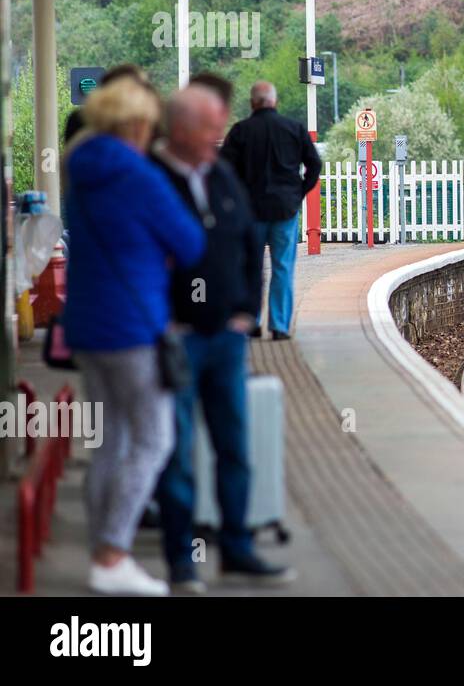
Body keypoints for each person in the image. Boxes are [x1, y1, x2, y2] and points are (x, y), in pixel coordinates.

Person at [63, 77, 206, 596]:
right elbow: (190, 243)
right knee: (154, 439)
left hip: (86, 326)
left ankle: (102, 550)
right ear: (138, 124)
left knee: (111, 443)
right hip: (133, 326)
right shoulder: (140, 176)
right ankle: (111, 555)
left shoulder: (79, 171)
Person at [153, 84, 295, 592]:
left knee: (233, 446)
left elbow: (243, 247)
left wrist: (243, 314)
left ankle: (236, 547)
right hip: (175, 339)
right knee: (177, 450)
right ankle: (181, 561)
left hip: (226, 339)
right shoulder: (155, 181)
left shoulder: (222, 177)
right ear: (183, 128)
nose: (218, 135)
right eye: (210, 127)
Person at [219, 81, 321, 339]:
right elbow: (314, 165)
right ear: (274, 102)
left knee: (250, 267)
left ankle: (250, 321)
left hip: (250, 212)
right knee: (283, 268)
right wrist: (298, 192)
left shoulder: (240, 131)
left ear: (253, 103)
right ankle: (279, 327)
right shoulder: (294, 129)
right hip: (285, 210)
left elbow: (223, 171)